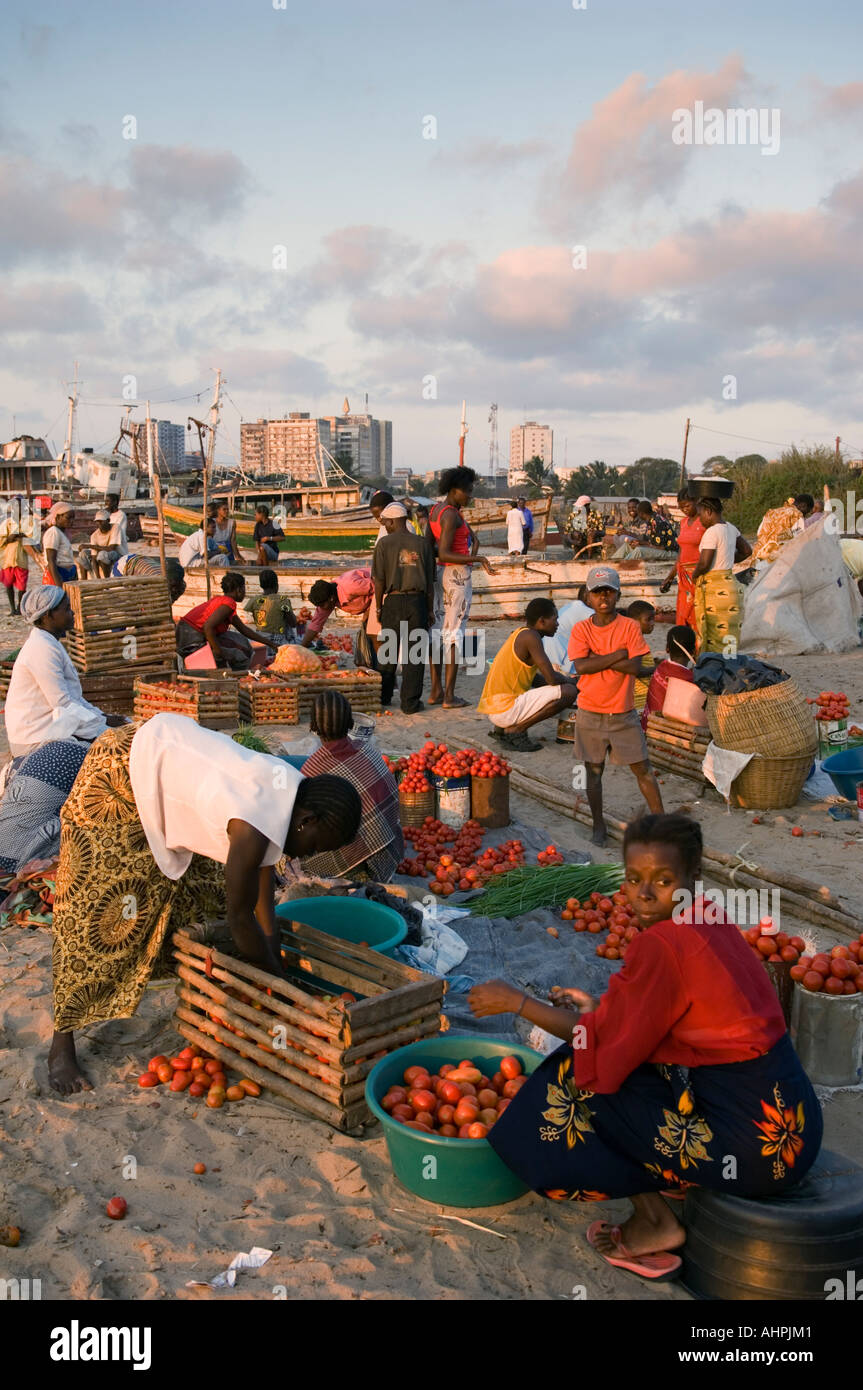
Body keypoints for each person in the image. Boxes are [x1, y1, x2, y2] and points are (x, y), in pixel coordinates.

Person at [468, 813, 822, 1279]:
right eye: (634, 879)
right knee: (618, 1063)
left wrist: (518, 1002)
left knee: (575, 1079)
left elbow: (597, 1047)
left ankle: (655, 1221)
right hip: (795, 1130)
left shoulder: (663, 945)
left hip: (756, 1152)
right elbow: (666, 1024)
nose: (645, 893)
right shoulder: (709, 918)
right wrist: (601, 1011)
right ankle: (674, 1178)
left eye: (663, 880)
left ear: (692, 878)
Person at [48, 711, 363, 1093]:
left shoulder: (288, 798)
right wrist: (282, 990)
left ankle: (201, 1000)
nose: (306, 858)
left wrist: (280, 973)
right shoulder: (252, 823)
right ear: (307, 821)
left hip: (170, 767)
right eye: (313, 847)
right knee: (99, 913)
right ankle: (61, 1041)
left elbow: (265, 909)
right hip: (119, 777)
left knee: (204, 896)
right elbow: (240, 916)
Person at [568, 566, 663, 845]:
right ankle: (598, 825)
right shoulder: (581, 628)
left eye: (609, 591)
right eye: (598, 592)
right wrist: (618, 654)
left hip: (623, 713)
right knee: (593, 772)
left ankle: (661, 822)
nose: (604, 597)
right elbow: (581, 666)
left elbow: (635, 667)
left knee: (643, 769)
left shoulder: (630, 626)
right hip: (590, 711)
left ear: (618, 594)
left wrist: (600, 657)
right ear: (588, 596)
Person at [3, 585, 126, 757]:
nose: (72, 613)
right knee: (114, 748)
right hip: (34, 738)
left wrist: (102, 716)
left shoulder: (49, 642)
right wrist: (103, 722)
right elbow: (63, 703)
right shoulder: (42, 648)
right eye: (67, 609)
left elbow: (73, 699)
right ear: (48, 616)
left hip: (49, 727)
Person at [298, 692, 403, 882]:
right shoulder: (368, 750)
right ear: (350, 724)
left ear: (313, 727)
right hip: (387, 856)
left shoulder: (311, 770)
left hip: (348, 866)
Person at [428, 466, 494, 709]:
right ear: (455, 490)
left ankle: (436, 691)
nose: (470, 496)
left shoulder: (437, 511)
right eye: (467, 491)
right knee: (454, 636)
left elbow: (431, 547)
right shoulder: (452, 516)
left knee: (437, 633)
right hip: (456, 576)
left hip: (439, 575)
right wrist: (477, 559)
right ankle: (449, 697)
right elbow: (446, 551)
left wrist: (471, 543)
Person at [478, 598, 578, 751]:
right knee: (569, 692)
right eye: (555, 619)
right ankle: (517, 730)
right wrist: (571, 682)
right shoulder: (531, 637)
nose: (557, 624)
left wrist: (565, 682)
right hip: (504, 710)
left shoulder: (521, 633)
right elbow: (551, 678)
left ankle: (503, 729)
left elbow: (535, 679)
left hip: (495, 709)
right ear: (542, 621)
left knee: (562, 687)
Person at [372, 502, 435, 714]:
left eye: (386, 523)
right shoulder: (423, 543)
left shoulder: (383, 544)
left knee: (389, 652)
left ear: (391, 521)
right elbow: (429, 583)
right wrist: (430, 610)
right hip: (417, 602)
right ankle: (410, 703)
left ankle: (385, 696)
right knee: (414, 655)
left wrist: (379, 607)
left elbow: (379, 580)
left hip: (393, 601)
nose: (386, 527)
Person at [176, 571, 279, 670]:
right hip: (191, 639)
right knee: (240, 655)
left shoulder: (223, 602)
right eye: (244, 588)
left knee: (242, 641)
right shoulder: (228, 604)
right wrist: (217, 651)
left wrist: (270, 644)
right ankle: (236, 677)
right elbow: (207, 627)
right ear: (239, 590)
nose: (244, 592)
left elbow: (244, 630)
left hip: (186, 634)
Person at [691, 497, 752, 653]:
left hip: (715, 591)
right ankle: (730, 664)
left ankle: (713, 668)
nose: (699, 519)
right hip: (731, 586)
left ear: (708, 512)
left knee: (713, 632)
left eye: (700, 515)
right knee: (729, 632)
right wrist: (729, 560)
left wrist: (695, 574)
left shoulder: (711, 532)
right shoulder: (731, 528)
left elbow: (704, 563)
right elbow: (747, 551)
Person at [659, 490, 705, 629]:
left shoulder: (705, 521)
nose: (685, 510)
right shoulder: (683, 523)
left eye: (687, 506)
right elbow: (681, 553)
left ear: (696, 502)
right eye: (682, 507)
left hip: (699, 574)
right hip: (683, 576)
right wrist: (670, 577)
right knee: (684, 613)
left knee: (697, 613)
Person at [641, 624, 697, 731]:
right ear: (694, 651)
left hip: (648, 727)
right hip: (667, 734)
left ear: (667, 649)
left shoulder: (661, 667)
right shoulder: (689, 680)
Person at [300, 568, 374, 647]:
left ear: (331, 598)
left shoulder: (350, 586)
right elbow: (315, 625)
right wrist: (301, 648)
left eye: (322, 605)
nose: (321, 608)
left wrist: (371, 611)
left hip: (384, 589)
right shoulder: (327, 597)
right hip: (374, 598)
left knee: (375, 635)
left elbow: (380, 587)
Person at [541, 584, 593, 676]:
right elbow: (605, 624)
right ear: (588, 598)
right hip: (560, 656)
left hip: (548, 653)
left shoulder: (573, 606)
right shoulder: (585, 610)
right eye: (597, 594)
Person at [0, 502, 42, 614]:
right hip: (8, 560)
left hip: (21, 559)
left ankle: (19, 608)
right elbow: (2, 539)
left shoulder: (28, 522)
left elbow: (33, 537)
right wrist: (13, 536)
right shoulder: (7, 523)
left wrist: (20, 535)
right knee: (8, 584)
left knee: (22, 586)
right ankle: (13, 608)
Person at [243, 568, 296, 643]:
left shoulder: (254, 600)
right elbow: (293, 623)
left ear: (261, 585)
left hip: (260, 639)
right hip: (278, 641)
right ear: (276, 585)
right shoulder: (282, 600)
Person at [613, 501, 678, 561]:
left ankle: (621, 565)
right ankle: (612, 563)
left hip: (670, 552)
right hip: (661, 549)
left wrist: (640, 546)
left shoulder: (657, 522)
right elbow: (652, 542)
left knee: (639, 550)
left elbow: (660, 547)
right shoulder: (651, 520)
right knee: (627, 546)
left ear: (641, 513)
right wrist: (639, 542)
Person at [624, 600, 657, 718]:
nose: (653, 623)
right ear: (634, 621)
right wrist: (656, 669)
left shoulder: (639, 640)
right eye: (648, 620)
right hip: (637, 700)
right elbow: (635, 669)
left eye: (653, 619)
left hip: (645, 697)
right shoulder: (631, 641)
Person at [110, 553, 187, 602]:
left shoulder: (181, 587)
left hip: (143, 562)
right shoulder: (154, 582)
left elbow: (169, 602)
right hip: (125, 564)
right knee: (121, 605)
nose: (171, 583)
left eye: (173, 582)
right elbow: (141, 600)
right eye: (170, 581)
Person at [751, 498, 803, 566]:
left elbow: (759, 532)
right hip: (779, 555)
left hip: (761, 552)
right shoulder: (796, 513)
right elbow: (799, 535)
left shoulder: (771, 512)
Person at [78, 511, 121, 579]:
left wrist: (89, 546)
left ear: (108, 520)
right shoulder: (94, 535)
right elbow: (94, 557)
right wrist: (98, 577)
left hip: (117, 555)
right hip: (101, 557)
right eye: (98, 521)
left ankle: (107, 579)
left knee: (102, 554)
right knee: (82, 554)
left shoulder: (115, 527)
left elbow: (111, 548)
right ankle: (84, 580)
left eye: (102, 521)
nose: (99, 524)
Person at [41, 504, 78, 585]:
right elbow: (51, 560)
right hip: (59, 574)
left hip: (67, 573)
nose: (71, 521)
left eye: (73, 518)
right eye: (68, 518)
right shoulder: (53, 532)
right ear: (58, 517)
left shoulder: (62, 533)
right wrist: (59, 585)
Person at [105, 494, 129, 559]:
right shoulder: (107, 514)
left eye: (108, 501)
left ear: (115, 502)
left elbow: (115, 530)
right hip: (107, 543)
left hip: (118, 545)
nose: (105, 503)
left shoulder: (121, 515)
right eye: (105, 501)